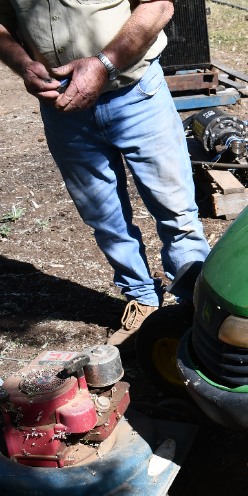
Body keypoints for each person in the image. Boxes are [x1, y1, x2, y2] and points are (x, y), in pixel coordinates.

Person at [0, 0, 209, 351]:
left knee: (177, 212)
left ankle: (195, 305)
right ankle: (142, 299)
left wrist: (105, 63)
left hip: (136, 95)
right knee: (104, 219)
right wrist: (22, 64)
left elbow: (158, 7)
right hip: (63, 109)